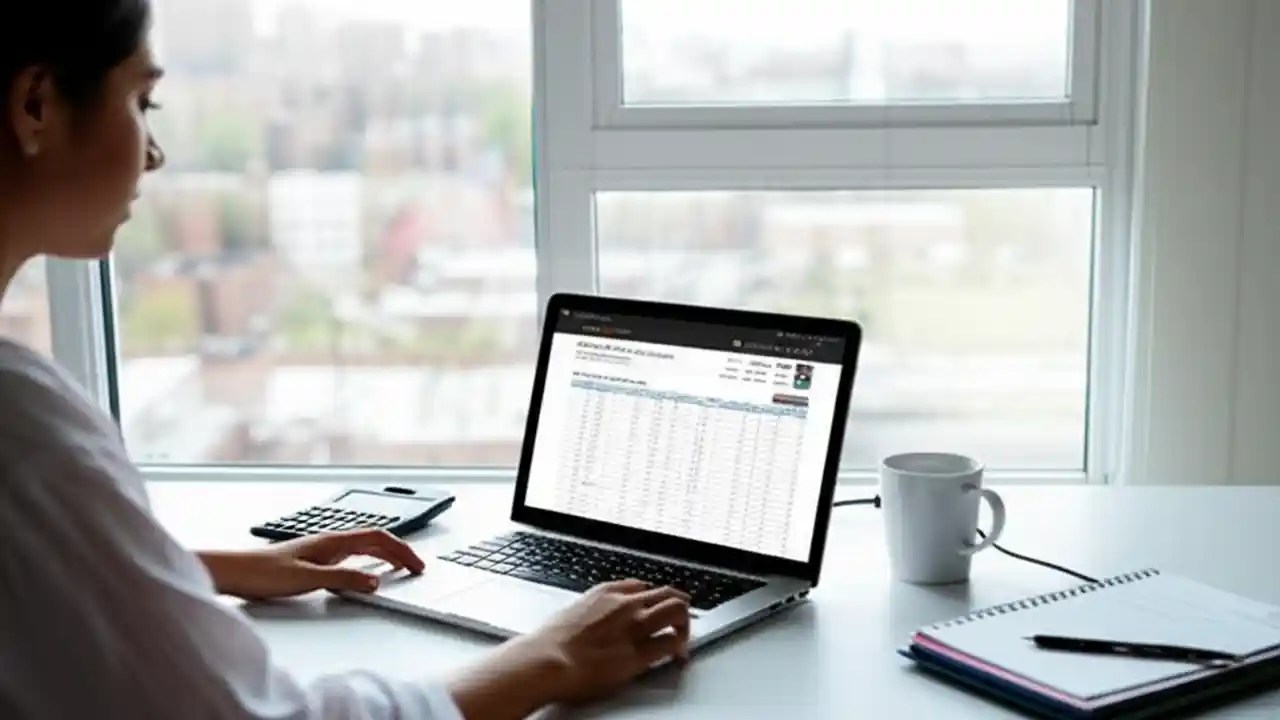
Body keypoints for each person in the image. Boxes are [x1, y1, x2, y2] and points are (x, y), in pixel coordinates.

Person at [0, 2, 691, 718]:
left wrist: (212, 571)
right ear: (36, 106)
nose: (153, 152)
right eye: (142, 101)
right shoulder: (24, 429)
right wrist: (550, 657)